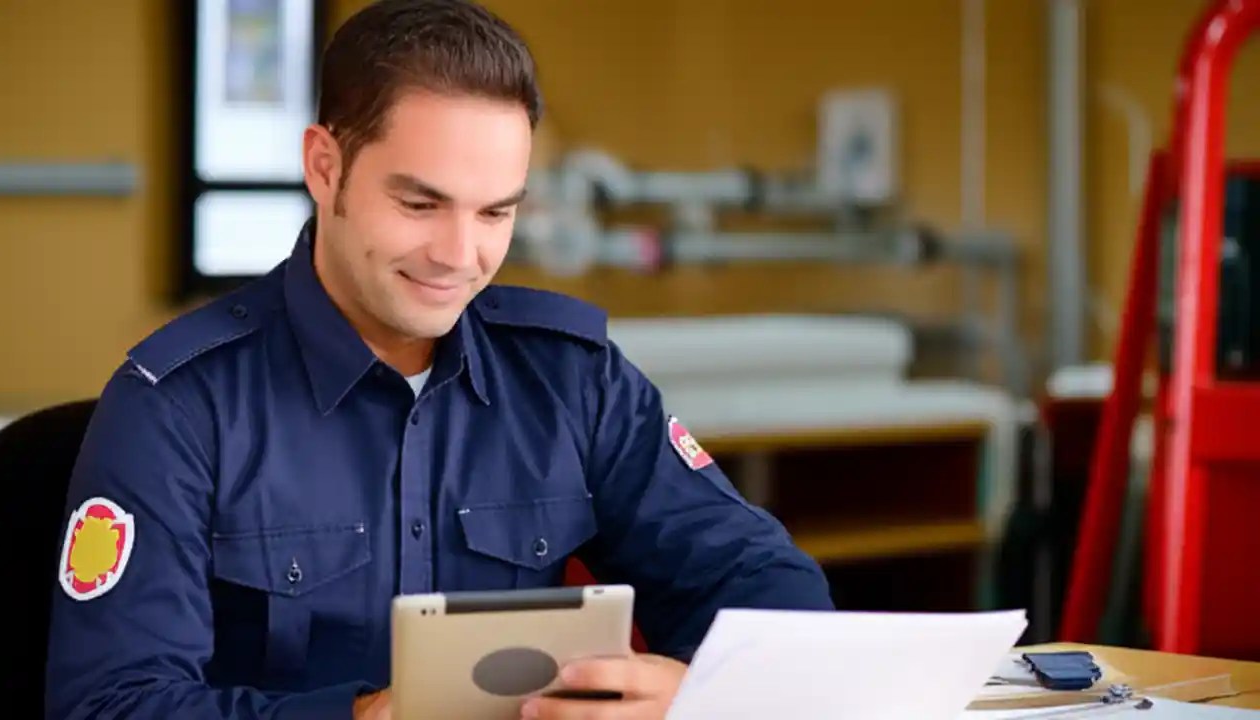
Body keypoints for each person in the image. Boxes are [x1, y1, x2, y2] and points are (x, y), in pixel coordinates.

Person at [43, 1, 835, 718]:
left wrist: (693, 690)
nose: (461, 256)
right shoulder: (176, 405)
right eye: (420, 204)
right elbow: (110, 708)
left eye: (496, 211)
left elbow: (772, 591)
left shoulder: (573, 379)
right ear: (325, 167)